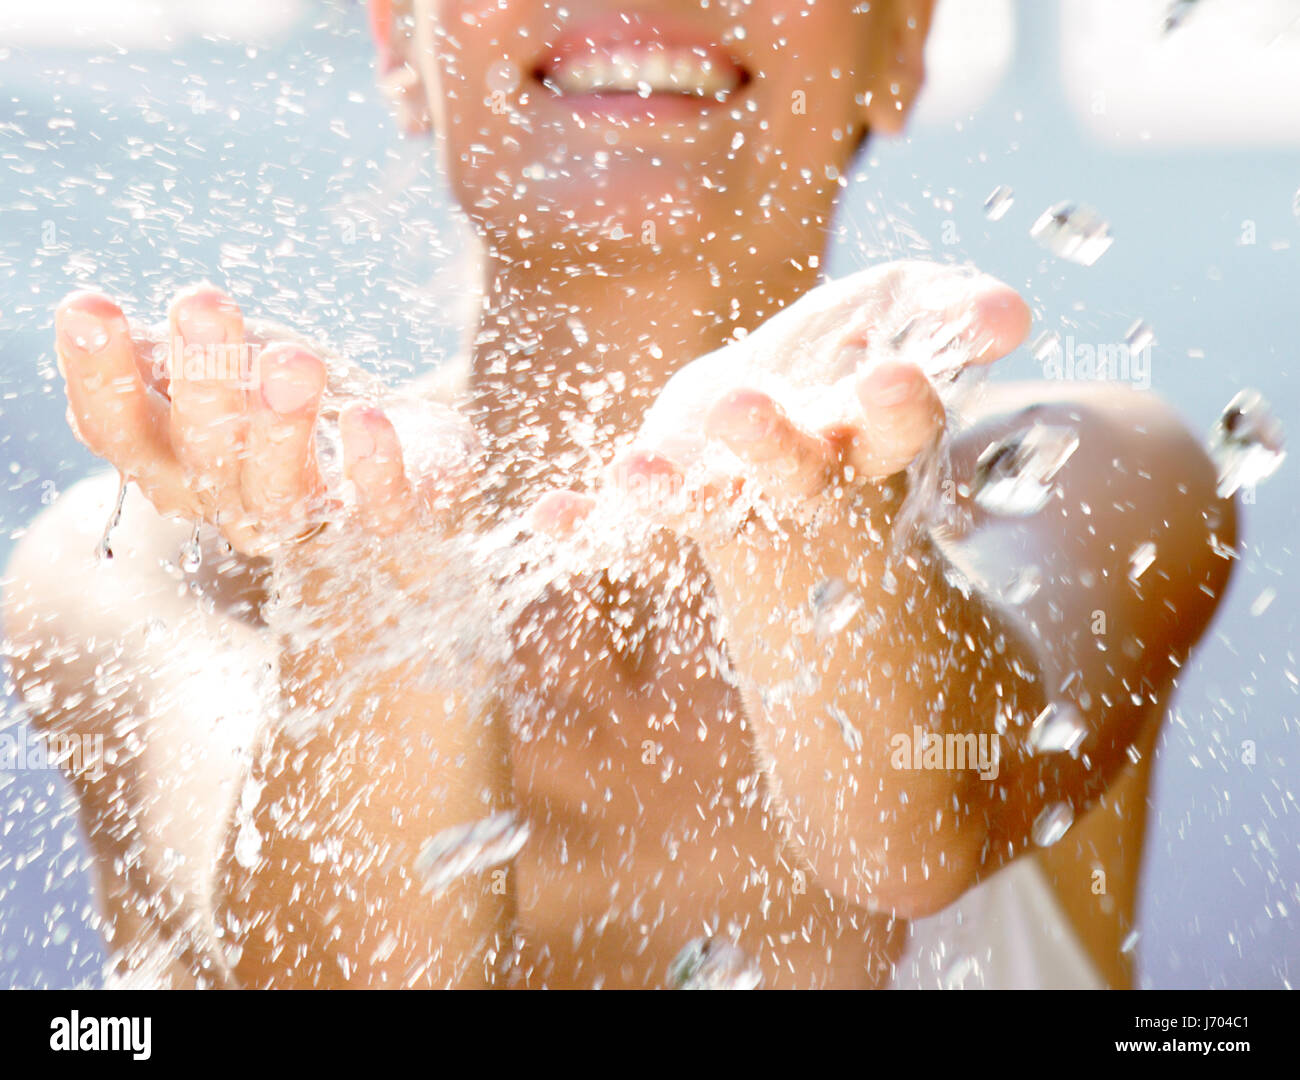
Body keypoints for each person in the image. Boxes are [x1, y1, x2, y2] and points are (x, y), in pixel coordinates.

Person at [3, 0, 1236, 989]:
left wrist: (799, 519)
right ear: (399, 41)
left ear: (900, 41)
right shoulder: (141, 563)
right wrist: (370, 582)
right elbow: (352, 974)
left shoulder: (1092, 472)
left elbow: (918, 825)